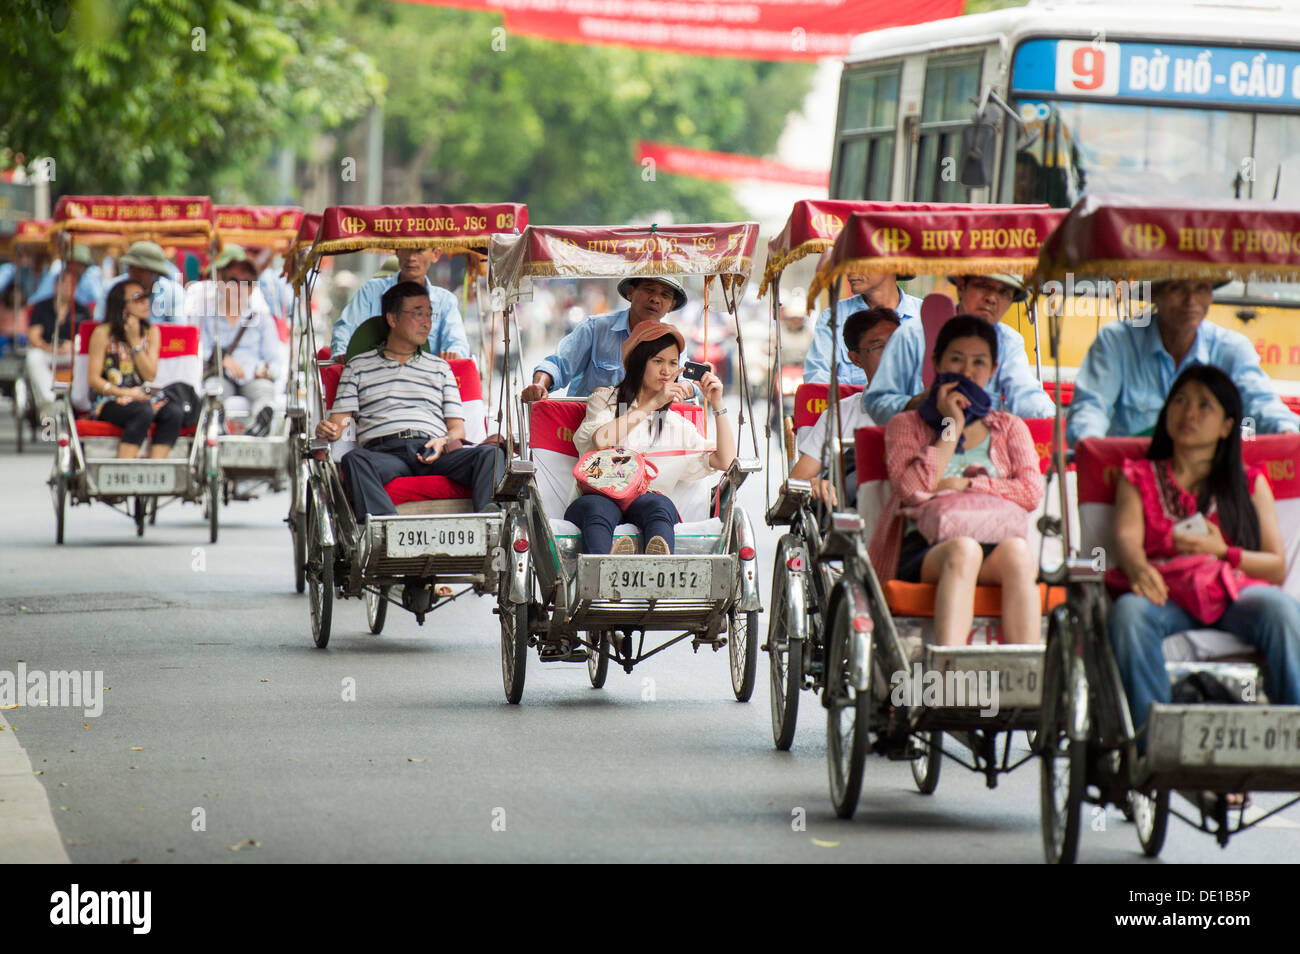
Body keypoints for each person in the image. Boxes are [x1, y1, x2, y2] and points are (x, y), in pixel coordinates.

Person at [1106, 365, 1300, 751]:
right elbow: (1126, 538)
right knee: (1128, 614)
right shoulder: (1139, 476)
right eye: (1180, 401)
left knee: (1281, 609)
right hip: (1165, 591)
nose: (1189, 413)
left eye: (1203, 405)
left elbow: (1275, 565)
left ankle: (1292, 733)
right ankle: (1154, 742)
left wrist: (1221, 551)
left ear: (1228, 426)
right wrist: (1139, 567)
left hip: (1230, 590)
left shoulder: (1249, 481)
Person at [868, 316, 1043, 646]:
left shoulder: (1009, 427)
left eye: (979, 362)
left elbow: (1031, 492)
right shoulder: (905, 425)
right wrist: (952, 428)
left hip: (996, 544)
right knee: (964, 549)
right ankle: (949, 679)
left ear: (992, 369)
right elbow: (912, 490)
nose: (967, 372)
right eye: (957, 359)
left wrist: (968, 485)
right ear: (936, 363)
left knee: (1020, 553)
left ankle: (1025, 677)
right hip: (925, 548)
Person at [315, 281, 504, 520]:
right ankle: (386, 529)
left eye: (429, 314)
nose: (427, 322)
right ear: (392, 319)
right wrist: (328, 429)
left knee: (492, 455)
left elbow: (457, 429)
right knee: (354, 460)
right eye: (417, 314)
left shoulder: (440, 368)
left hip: (432, 449)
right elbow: (338, 422)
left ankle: (490, 523)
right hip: (384, 453)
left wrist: (442, 440)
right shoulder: (358, 367)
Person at [567, 320, 735, 557]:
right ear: (638, 363)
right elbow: (602, 440)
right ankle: (603, 572)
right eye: (657, 361)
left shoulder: (675, 424)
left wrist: (717, 403)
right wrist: (653, 404)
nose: (666, 371)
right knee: (598, 508)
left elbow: (725, 461)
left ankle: (657, 569)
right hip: (597, 499)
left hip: (645, 503)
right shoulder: (606, 401)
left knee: (659, 505)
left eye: (673, 363)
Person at [1067, 279, 1299, 445]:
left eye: (1201, 288)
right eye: (1177, 288)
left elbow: (1260, 403)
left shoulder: (1231, 349)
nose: (1191, 301)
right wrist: (1091, 446)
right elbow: (1090, 408)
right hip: (1131, 480)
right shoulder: (1116, 342)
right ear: (1155, 293)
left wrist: (1287, 432)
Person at [865, 273, 1054, 423]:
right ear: (962, 286)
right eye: (984, 286)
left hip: (983, 453)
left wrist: (1054, 423)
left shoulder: (1008, 341)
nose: (992, 298)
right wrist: (921, 402)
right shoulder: (912, 334)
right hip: (919, 448)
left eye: (1004, 293)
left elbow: (1026, 395)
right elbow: (877, 403)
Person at [789, 306, 899, 506]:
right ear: (855, 359)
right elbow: (793, 483)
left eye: (897, 343)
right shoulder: (841, 414)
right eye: (878, 347)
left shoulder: (929, 405)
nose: (892, 353)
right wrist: (814, 483)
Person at [523, 276, 688, 401]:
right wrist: (539, 385)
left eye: (664, 295)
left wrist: (691, 386)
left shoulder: (674, 341)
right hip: (585, 427)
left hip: (643, 433)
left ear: (671, 305)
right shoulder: (595, 328)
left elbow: (684, 381)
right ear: (631, 292)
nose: (655, 299)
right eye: (649, 290)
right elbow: (558, 364)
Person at [86, 280, 184, 460]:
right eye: (138, 299)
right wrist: (124, 393)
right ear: (122, 305)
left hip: (143, 397)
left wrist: (135, 342)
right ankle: (124, 468)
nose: (146, 303)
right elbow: (94, 379)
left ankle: (156, 470)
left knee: (174, 412)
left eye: (146, 297)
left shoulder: (152, 332)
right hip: (110, 399)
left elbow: (149, 374)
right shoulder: (103, 333)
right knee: (142, 411)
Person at [193, 245, 283, 437]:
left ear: (253, 288)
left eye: (247, 283)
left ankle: (262, 420)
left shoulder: (263, 318)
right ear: (222, 282)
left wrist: (264, 370)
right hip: (220, 375)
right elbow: (200, 350)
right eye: (233, 281)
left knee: (264, 391)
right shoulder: (208, 317)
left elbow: (275, 361)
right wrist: (222, 359)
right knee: (213, 390)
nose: (239, 287)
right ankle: (215, 421)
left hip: (252, 376)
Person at [330, 247, 469, 359]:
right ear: (396, 250)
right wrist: (342, 353)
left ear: (436, 254)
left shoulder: (445, 301)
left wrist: (454, 353)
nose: (411, 257)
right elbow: (345, 330)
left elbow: (457, 343)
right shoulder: (371, 291)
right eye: (406, 249)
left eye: (419, 250)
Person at [803, 271, 921, 385]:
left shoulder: (925, 314)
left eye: (860, 262)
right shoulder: (833, 317)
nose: (850, 271)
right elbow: (817, 382)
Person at [25, 270, 89, 423]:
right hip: (47, 352)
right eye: (64, 283)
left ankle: (79, 396)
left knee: (83, 352)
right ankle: (50, 397)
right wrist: (47, 347)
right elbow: (34, 335)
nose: (67, 287)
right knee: (33, 357)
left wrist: (70, 345)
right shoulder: (41, 307)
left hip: (70, 353)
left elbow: (85, 338)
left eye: (71, 284)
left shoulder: (82, 310)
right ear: (56, 285)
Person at [96, 241, 187, 324]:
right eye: (131, 267)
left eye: (141, 270)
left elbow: (180, 331)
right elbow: (99, 322)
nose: (133, 273)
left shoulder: (173, 292)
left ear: (154, 272)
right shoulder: (112, 288)